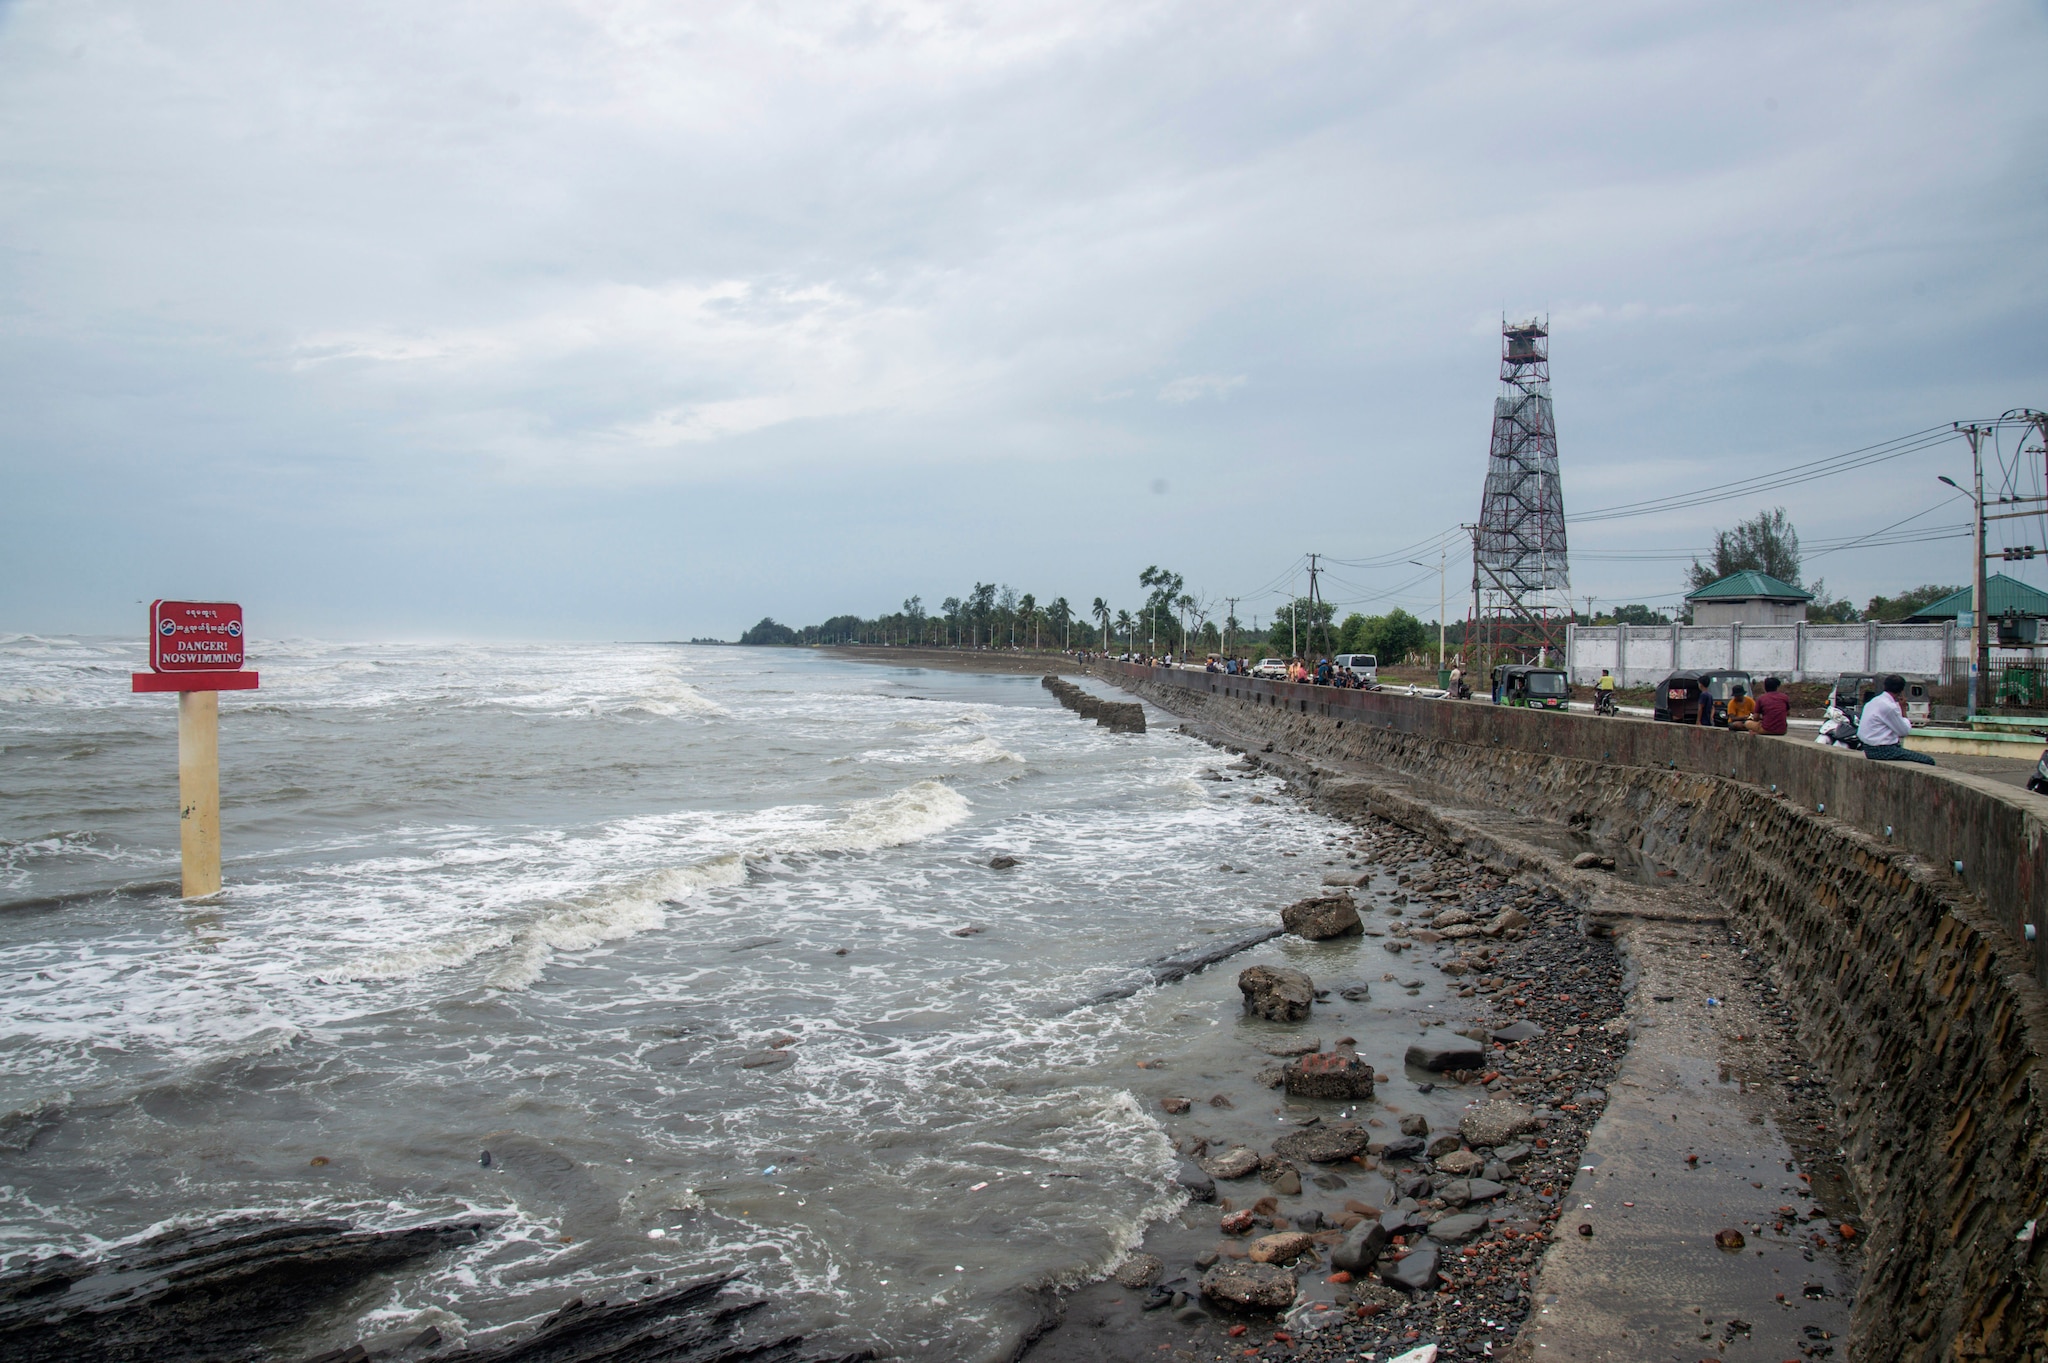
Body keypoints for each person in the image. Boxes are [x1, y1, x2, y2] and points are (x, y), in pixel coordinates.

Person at [1858, 674, 1936, 765]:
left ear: (1885, 686)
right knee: (1928, 761)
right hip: (1883, 750)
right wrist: (1903, 709)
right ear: (1901, 690)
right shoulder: (1889, 707)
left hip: (1868, 748)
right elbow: (1904, 731)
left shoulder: (1873, 702)